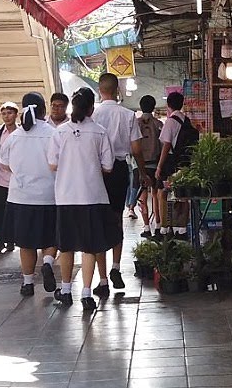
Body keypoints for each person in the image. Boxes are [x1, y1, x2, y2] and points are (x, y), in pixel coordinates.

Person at [49, 89, 117, 312]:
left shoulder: (59, 132)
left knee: (66, 246)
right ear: (91, 109)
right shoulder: (100, 132)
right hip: (93, 196)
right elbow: (108, 166)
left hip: (66, 196)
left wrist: (70, 164)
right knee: (89, 247)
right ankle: (87, 294)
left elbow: (52, 164)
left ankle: (66, 289)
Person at [0, 93, 59, 297]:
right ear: (44, 110)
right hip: (49, 195)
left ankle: (27, 283)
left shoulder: (14, 136)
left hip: (20, 196)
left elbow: (4, 164)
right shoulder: (53, 134)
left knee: (26, 242)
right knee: (51, 236)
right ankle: (48, 262)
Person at [90, 73, 140, 295]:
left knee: (99, 221)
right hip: (119, 169)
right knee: (116, 218)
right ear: (117, 89)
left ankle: (102, 280)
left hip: (96, 172)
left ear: (100, 90)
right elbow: (137, 149)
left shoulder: (92, 116)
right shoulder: (128, 115)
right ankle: (116, 267)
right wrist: (144, 172)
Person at [155, 91, 197, 237]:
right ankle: (182, 228)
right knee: (183, 194)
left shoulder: (171, 121)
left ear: (168, 105)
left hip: (171, 162)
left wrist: (160, 166)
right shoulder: (187, 121)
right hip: (184, 162)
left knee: (163, 193)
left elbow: (166, 145)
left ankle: (165, 227)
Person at [0, 101, 20, 252]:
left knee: (12, 210)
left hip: (15, 177)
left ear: (16, 114)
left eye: (10, 113)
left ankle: (11, 240)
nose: (7, 117)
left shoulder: (21, 133)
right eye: (4, 113)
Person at [134, 95, 162, 237]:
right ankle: (158, 225)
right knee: (156, 195)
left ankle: (146, 227)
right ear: (153, 107)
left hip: (139, 166)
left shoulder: (135, 123)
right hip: (155, 164)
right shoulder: (158, 124)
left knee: (142, 197)